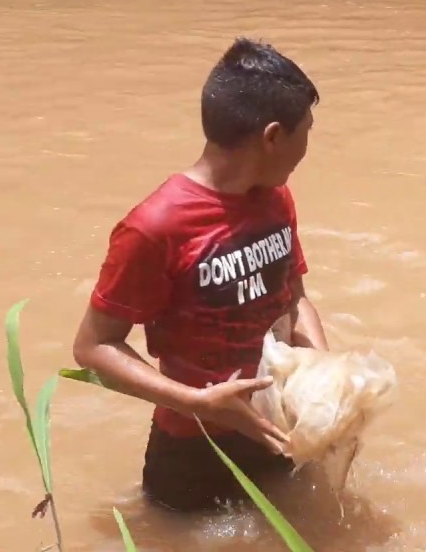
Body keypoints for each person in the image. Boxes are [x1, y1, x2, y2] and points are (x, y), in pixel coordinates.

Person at [72, 37, 329, 512]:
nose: (307, 148)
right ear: (273, 136)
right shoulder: (155, 227)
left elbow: (293, 297)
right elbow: (93, 347)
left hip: (279, 427)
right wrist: (196, 401)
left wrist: (323, 374)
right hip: (196, 447)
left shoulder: (275, 199)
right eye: (306, 131)